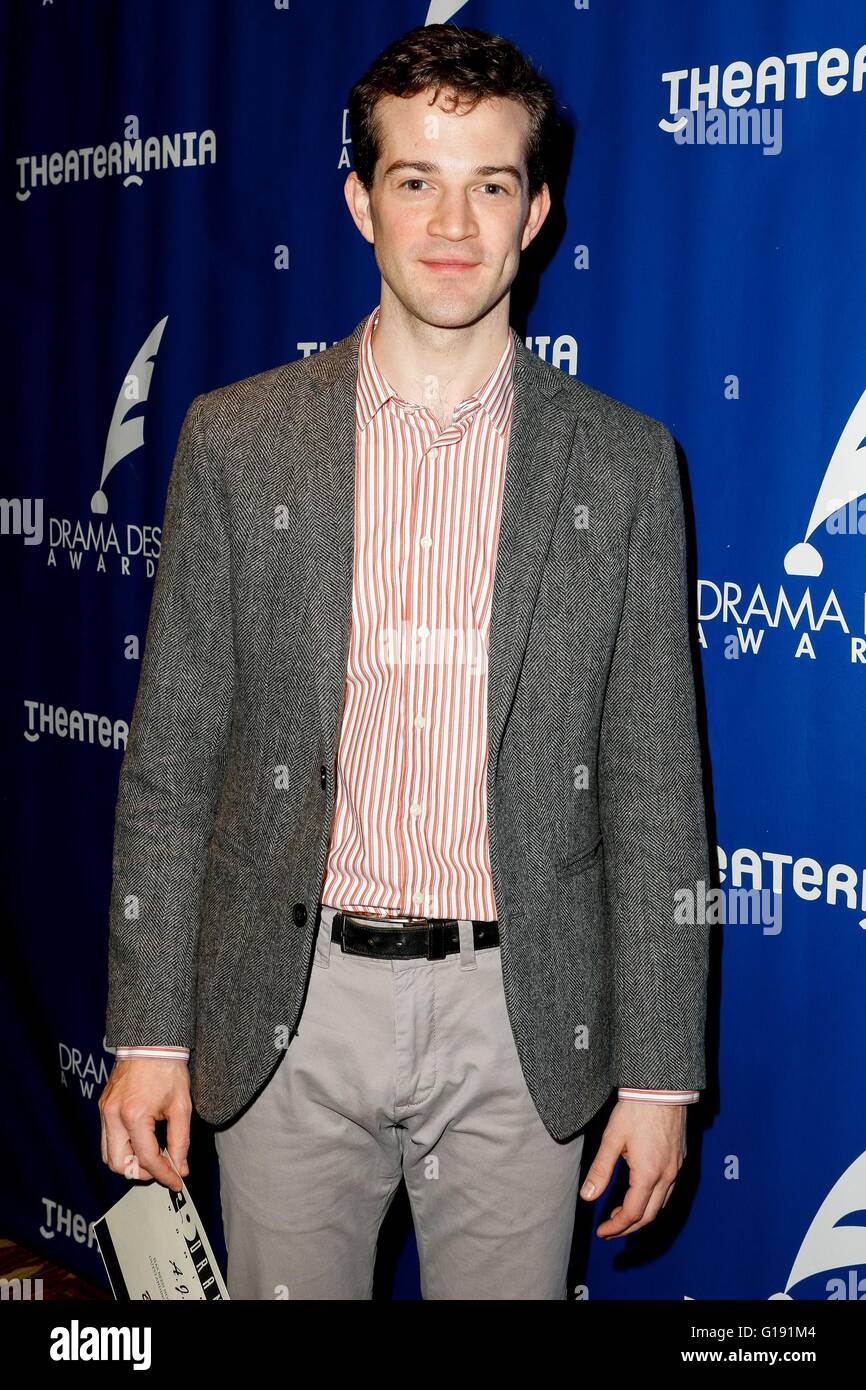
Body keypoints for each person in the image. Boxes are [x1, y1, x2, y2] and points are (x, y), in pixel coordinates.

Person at [99, 23, 711, 1300]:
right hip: (288, 1008)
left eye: (489, 183)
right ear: (357, 200)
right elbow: (171, 762)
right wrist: (148, 1030)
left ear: (536, 212)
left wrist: (659, 1072)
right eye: (413, 179)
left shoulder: (623, 463)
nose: (450, 220)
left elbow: (655, 783)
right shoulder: (239, 442)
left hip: (522, 1020)